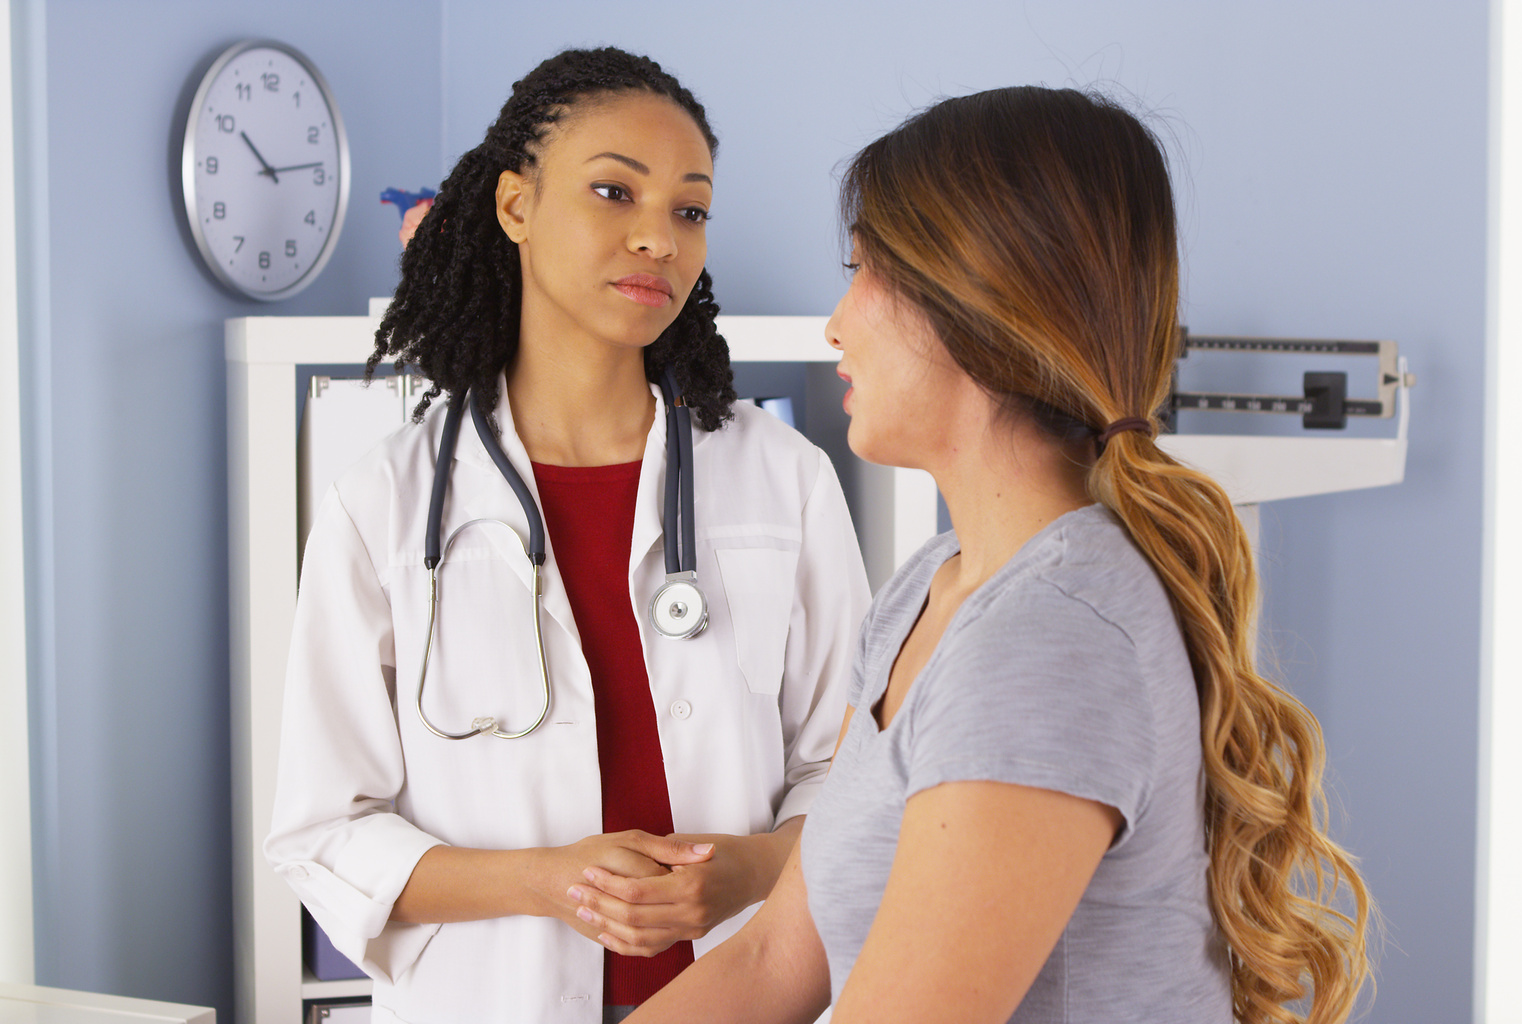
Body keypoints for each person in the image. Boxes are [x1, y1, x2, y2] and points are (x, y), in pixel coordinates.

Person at [607, 86, 1373, 1024]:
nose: (837, 323)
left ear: (971, 303)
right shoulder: (929, 591)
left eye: (864, 273)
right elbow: (773, 961)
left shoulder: (1049, 636)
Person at [264, 47, 869, 1024]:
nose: (658, 239)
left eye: (688, 208)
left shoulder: (782, 480)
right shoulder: (384, 503)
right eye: (612, 192)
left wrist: (743, 872)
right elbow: (324, 833)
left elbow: (855, 778)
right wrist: (548, 880)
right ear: (515, 206)